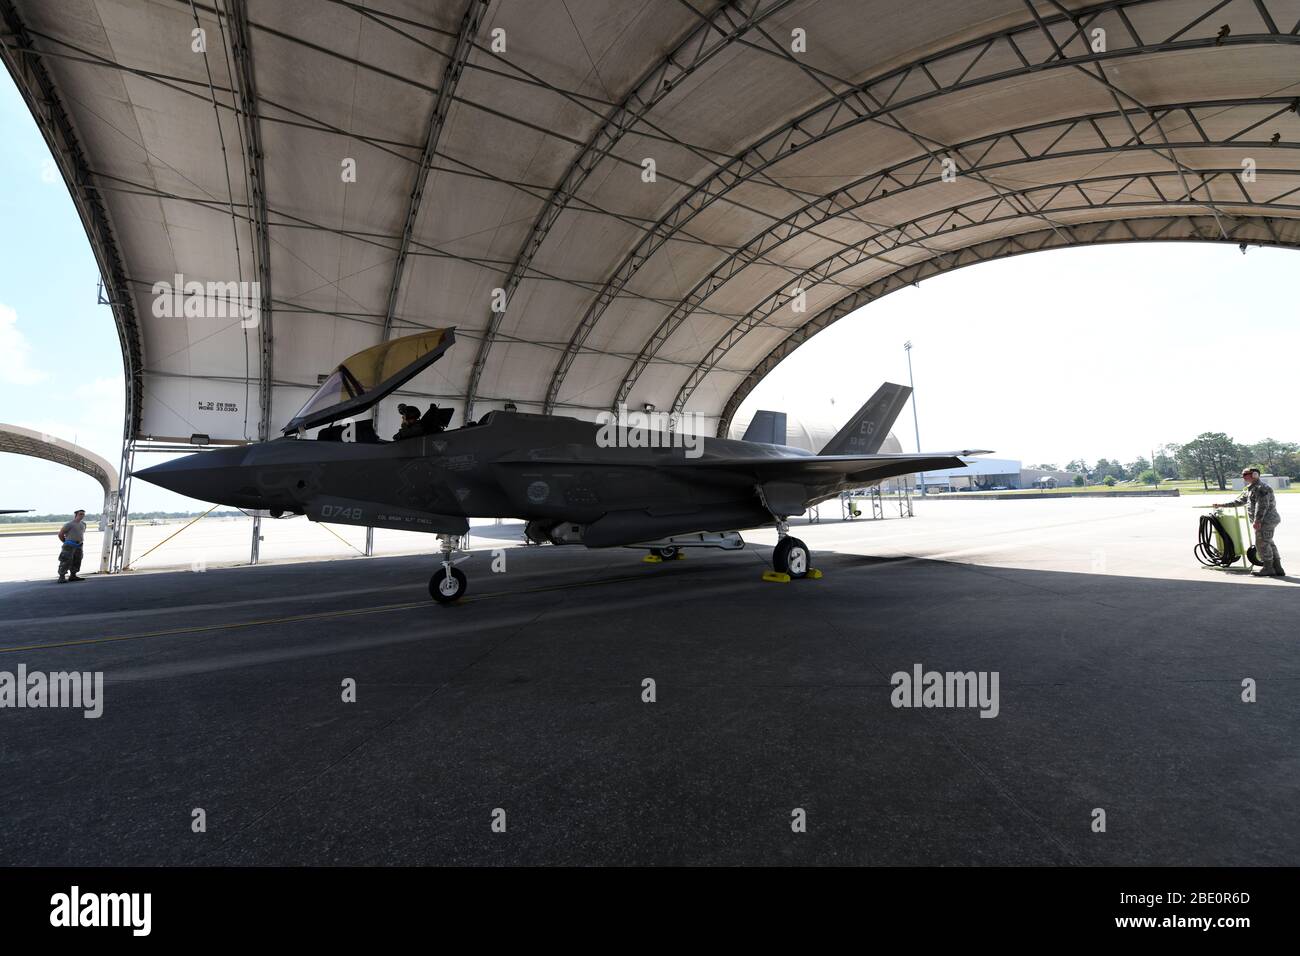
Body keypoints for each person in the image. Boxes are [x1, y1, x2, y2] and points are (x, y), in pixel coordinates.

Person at [1214, 468, 1284, 577]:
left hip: (1266, 520)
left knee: (1262, 544)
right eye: (1243, 474)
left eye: (1246, 474)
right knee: (1269, 542)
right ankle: (1278, 568)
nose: (1244, 476)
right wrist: (1222, 505)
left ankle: (1268, 568)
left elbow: (1262, 506)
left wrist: (1257, 520)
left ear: (1255, 475)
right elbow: (1240, 501)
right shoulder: (1250, 488)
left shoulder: (1261, 488)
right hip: (1265, 520)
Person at [57, 508, 87, 583]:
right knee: (66, 561)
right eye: (80, 514)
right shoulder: (69, 524)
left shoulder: (83, 524)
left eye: (83, 514)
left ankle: (73, 575)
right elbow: (60, 534)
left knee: (77, 560)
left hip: (79, 545)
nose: (82, 516)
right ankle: (62, 577)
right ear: (76, 515)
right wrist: (66, 542)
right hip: (69, 545)